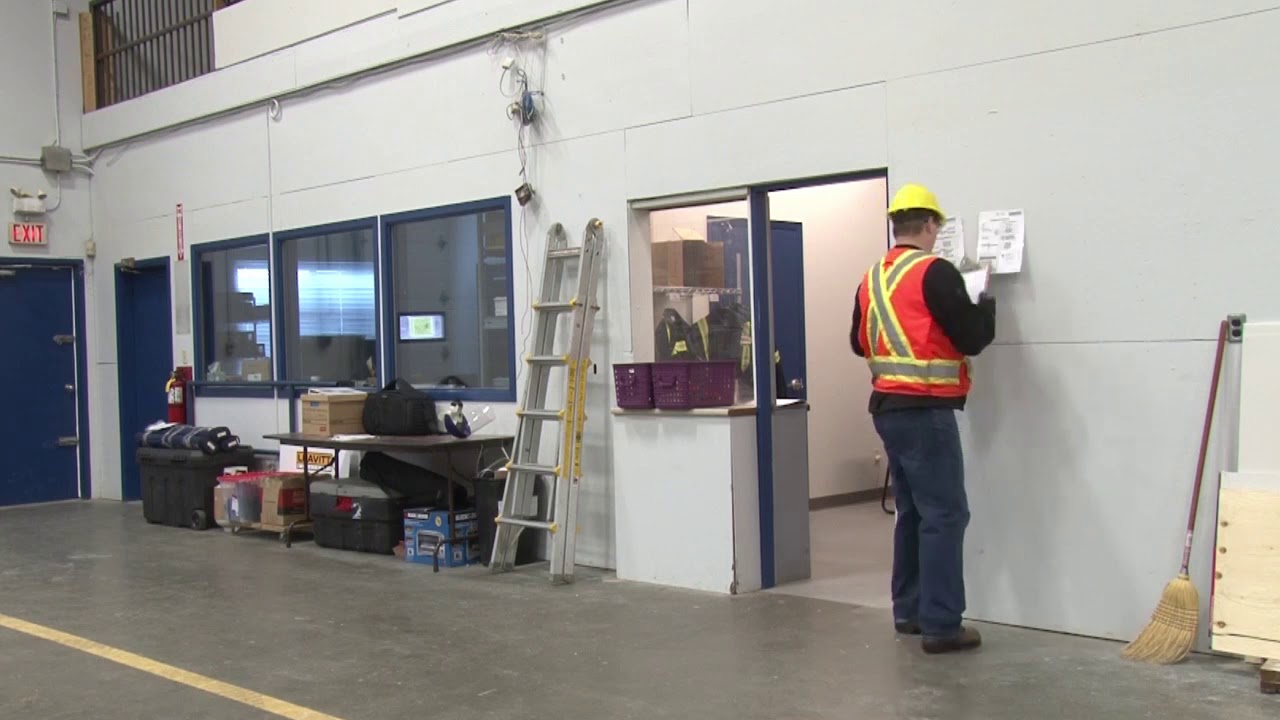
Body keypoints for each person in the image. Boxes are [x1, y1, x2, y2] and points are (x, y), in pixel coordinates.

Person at [849, 183, 996, 654]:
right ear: (932, 224)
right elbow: (972, 337)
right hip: (927, 410)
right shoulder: (936, 272)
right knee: (946, 514)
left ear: (897, 225)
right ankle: (942, 624)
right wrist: (985, 296)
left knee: (912, 513)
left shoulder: (872, 277)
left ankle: (909, 611)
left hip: (887, 409)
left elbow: (858, 342)